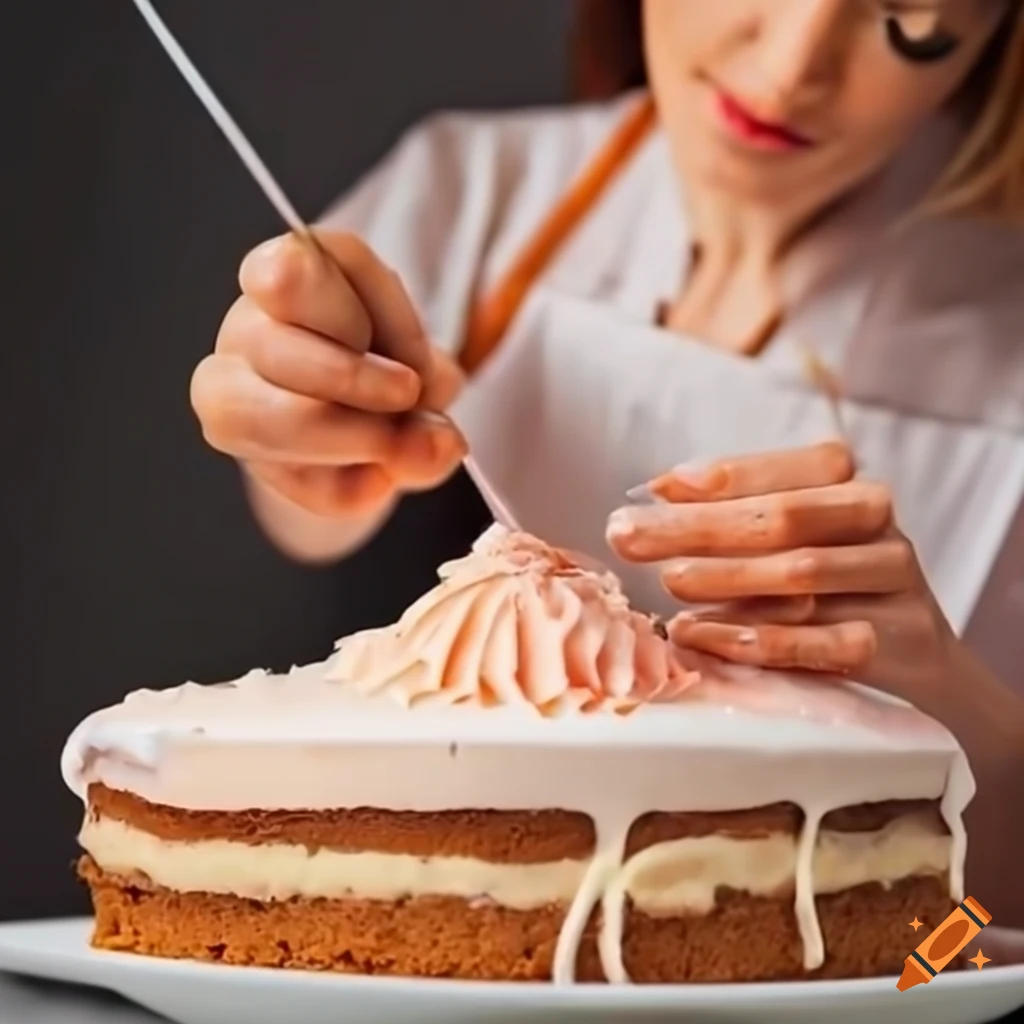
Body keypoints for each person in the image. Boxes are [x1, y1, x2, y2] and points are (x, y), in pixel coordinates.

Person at [190, 0, 1024, 922]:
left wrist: (967, 728)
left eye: (912, 26)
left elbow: (979, 933)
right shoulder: (475, 190)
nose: (790, 71)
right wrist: (309, 440)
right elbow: (306, 505)